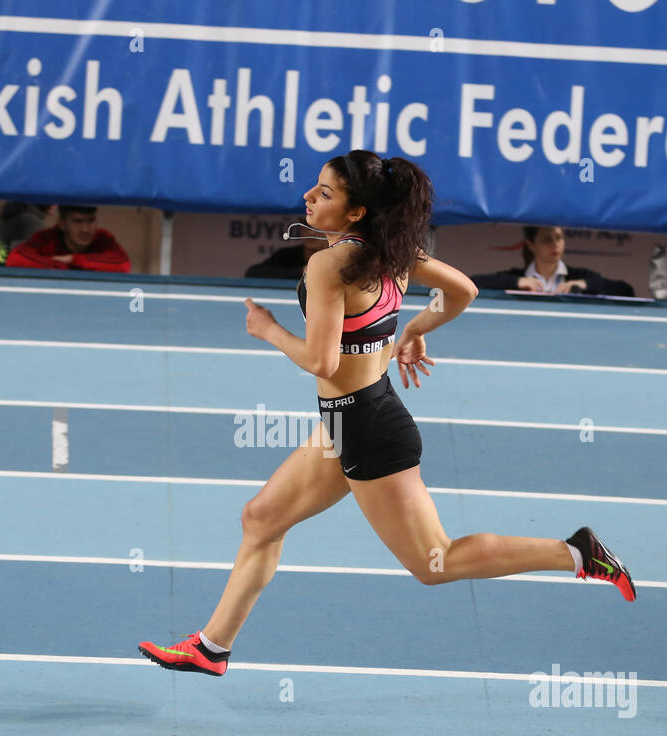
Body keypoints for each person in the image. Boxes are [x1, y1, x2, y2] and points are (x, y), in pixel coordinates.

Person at [139, 151, 636, 677]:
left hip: (367, 430)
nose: (309, 196)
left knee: (435, 562)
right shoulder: (390, 250)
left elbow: (321, 360)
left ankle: (578, 553)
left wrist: (268, 330)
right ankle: (212, 647)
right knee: (261, 518)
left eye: (325, 193)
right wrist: (417, 330)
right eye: (314, 188)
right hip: (352, 418)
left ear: (355, 213)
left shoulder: (328, 262)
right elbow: (461, 290)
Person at [472, 225, 635, 296]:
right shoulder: (516, 276)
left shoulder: (579, 276)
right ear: (530, 245)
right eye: (546, 240)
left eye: (559, 238)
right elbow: (473, 283)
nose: (555, 245)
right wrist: (516, 282)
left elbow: (626, 290)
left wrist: (583, 285)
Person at [5, 205, 130, 272]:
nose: (85, 229)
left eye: (90, 221)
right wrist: (60, 267)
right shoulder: (47, 239)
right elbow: (15, 259)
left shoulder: (102, 238)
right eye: (77, 222)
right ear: (62, 224)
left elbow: (122, 264)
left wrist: (72, 260)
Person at [243, 236, 329, 280]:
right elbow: (252, 273)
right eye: (305, 225)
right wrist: (301, 271)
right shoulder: (288, 255)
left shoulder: (338, 257)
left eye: (317, 228)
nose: (311, 232)